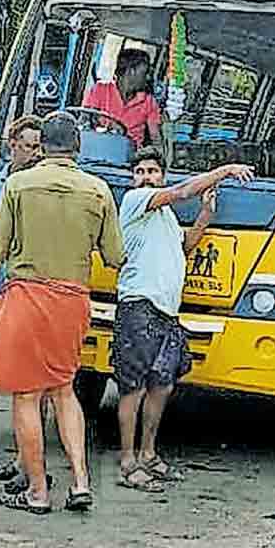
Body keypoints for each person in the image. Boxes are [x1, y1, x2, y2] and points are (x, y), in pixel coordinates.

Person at [0, 111, 124, 513]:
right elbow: (116, 256)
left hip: (26, 298)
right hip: (72, 301)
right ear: (78, 146)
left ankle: (37, 491)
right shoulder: (98, 190)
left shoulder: (18, 184)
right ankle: (81, 481)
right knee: (64, 390)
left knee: (27, 396)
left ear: (43, 146)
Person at [112, 150, 253, 492]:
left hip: (166, 313)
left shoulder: (166, 218)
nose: (146, 176)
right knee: (134, 388)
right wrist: (226, 169)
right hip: (139, 307)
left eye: (152, 171)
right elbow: (183, 191)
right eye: (140, 171)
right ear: (134, 179)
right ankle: (127, 462)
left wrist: (206, 214)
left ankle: (148, 453)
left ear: (161, 174)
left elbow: (186, 245)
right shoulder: (136, 200)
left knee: (163, 385)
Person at [0, 114, 48, 490]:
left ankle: (28, 466)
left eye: (39, 147)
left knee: (34, 385)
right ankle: (22, 456)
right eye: (28, 145)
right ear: (11, 145)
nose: (34, 153)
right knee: (14, 385)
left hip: (31, 294)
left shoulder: (41, 188)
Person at [81, 48, 163, 149]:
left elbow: (156, 138)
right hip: (97, 150)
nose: (148, 78)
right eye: (145, 73)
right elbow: (84, 121)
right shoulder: (99, 90)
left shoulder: (149, 102)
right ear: (131, 71)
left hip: (129, 159)